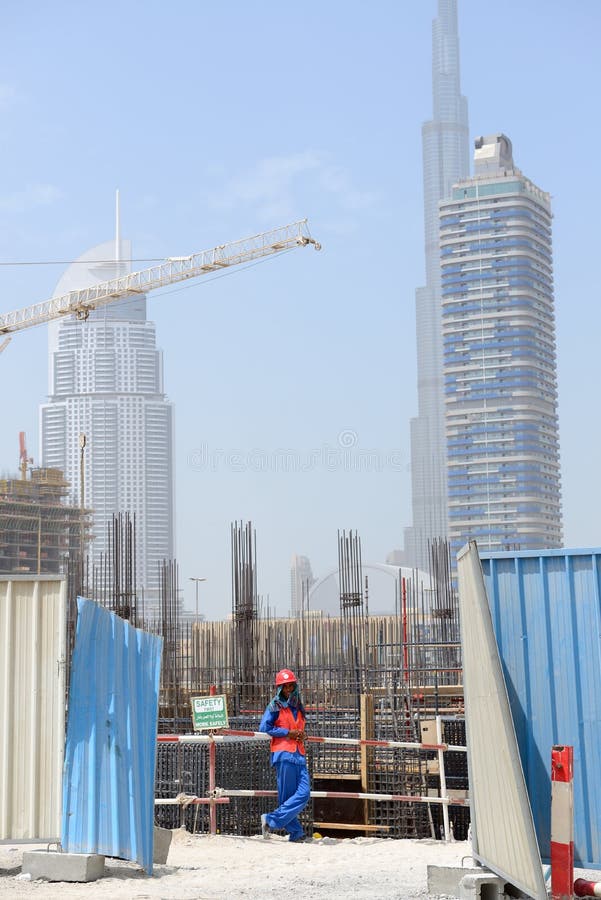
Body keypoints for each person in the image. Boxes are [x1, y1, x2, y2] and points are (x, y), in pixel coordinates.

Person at [259, 668, 310, 842]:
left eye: (290, 686)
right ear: (280, 688)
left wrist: (302, 734)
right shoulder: (275, 705)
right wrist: (288, 733)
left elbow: (298, 728)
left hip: (299, 754)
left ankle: (271, 820)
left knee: (304, 793)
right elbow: (264, 727)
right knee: (287, 797)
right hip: (284, 754)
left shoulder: (298, 706)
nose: (288, 689)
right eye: (285, 686)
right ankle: (296, 833)